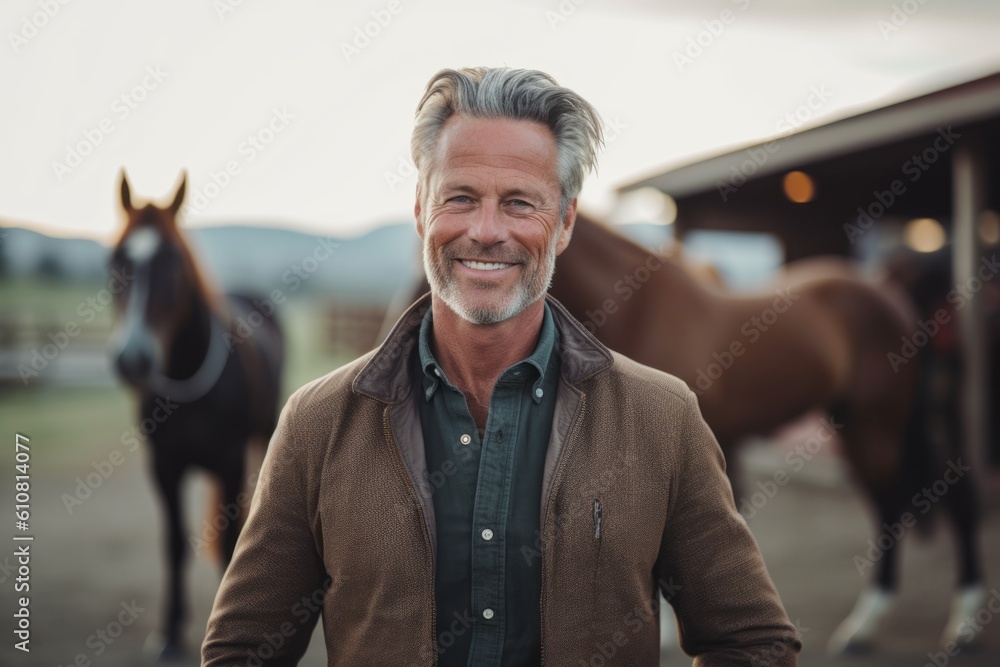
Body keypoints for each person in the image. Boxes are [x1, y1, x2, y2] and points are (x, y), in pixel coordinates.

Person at [202, 66, 801, 666]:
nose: (486, 232)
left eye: (519, 203)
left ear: (564, 223)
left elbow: (752, 644)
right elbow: (242, 651)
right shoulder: (317, 423)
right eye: (460, 198)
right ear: (420, 211)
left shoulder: (663, 418)